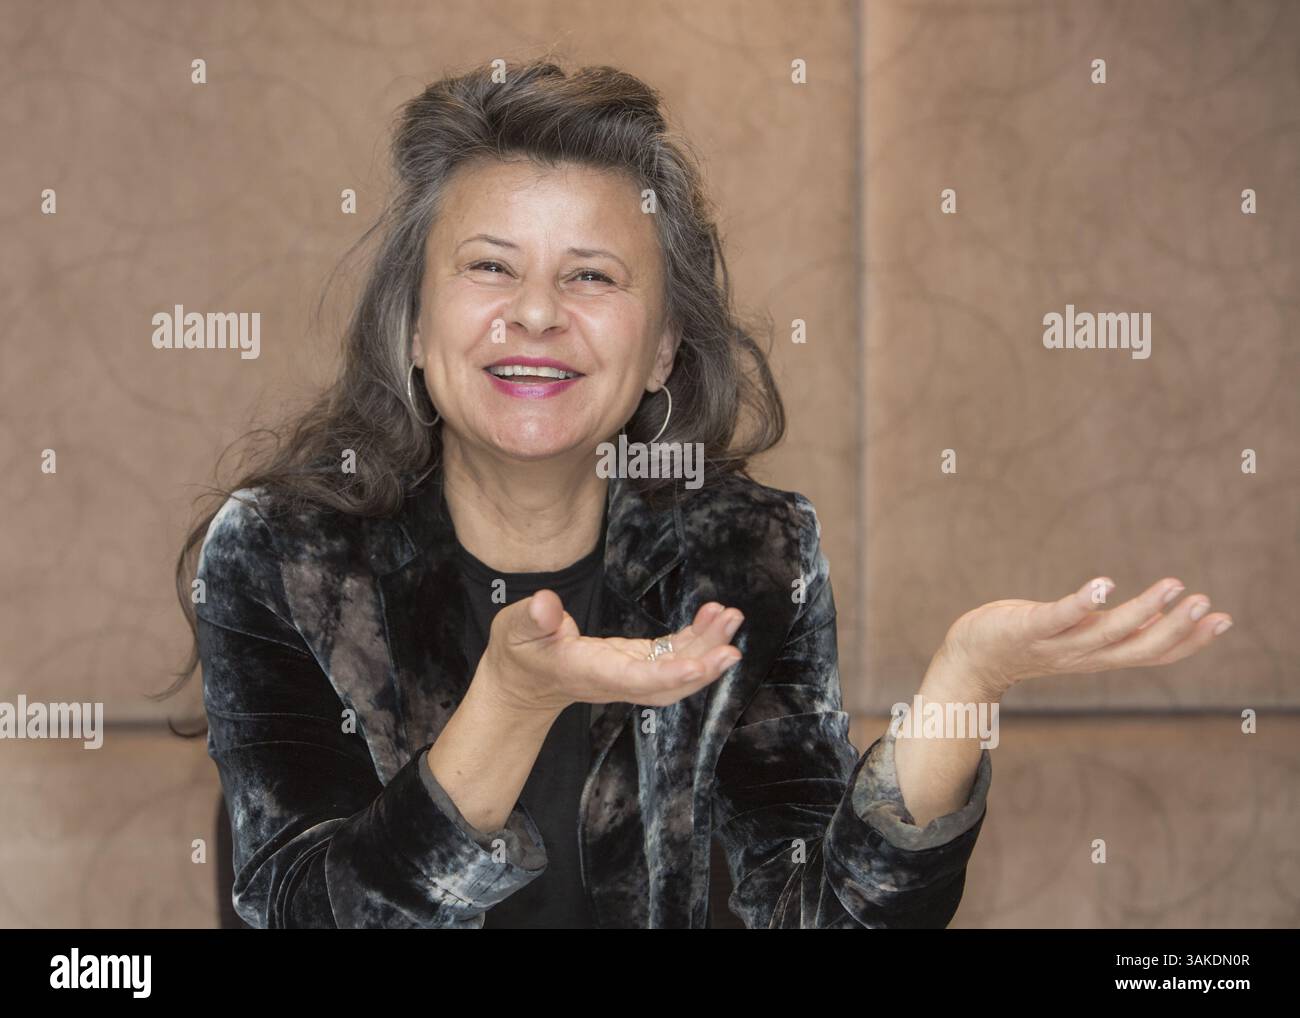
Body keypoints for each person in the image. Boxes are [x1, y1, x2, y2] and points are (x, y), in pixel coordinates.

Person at [170, 59, 1233, 929]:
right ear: (410, 324)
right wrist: (513, 703)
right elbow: (300, 915)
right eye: (489, 268)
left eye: (591, 276)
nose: (536, 314)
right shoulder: (284, 557)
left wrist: (967, 678)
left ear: (663, 348)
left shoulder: (746, 552)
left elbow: (820, 912)